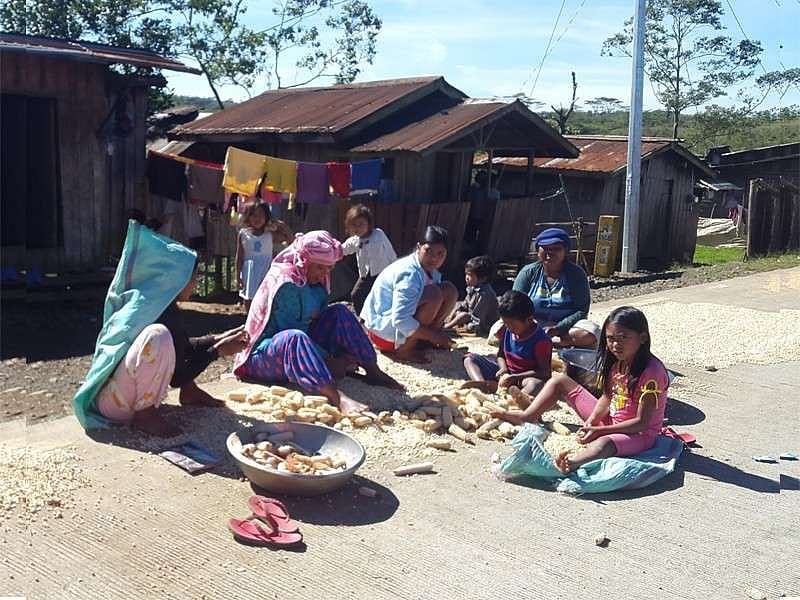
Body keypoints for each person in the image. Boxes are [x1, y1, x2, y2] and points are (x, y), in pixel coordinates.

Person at [73, 220, 248, 436]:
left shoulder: (162, 306)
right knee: (158, 336)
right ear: (175, 279)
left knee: (166, 339)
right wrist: (218, 352)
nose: (195, 282)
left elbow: (181, 347)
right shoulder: (150, 312)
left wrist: (215, 339)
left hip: (121, 395)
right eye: (193, 277)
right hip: (114, 404)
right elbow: (177, 376)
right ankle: (145, 416)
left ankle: (190, 393)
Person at [234, 231, 401, 414]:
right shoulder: (287, 283)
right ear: (305, 262)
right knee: (295, 338)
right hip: (266, 353)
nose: (325, 273)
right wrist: (329, 359)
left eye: (329, 268)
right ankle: (336, 396)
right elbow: (291, 332)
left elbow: (317, 320)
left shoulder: (318, 279)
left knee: (340, 312)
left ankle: (372, 370)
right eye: (320, 268)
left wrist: (334, 356)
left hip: (302, 342)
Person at [491, 306, 669, 475]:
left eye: (623, 337)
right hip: (611, 421)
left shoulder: (651, 373)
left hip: (638, 434)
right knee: (559, 380)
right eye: (610, 338)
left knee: (604, 444)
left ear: (643, 337)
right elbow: (607, 397)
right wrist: (591, 422)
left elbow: (642, 422)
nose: (615, 344)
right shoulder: (617, 362)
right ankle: (527, 416)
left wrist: (601, 431)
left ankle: (572, 462)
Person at [361, 226, 459, 363]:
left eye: (440, 254)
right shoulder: (409, 273)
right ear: (418, 247)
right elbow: (400, 319)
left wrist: (434, 333)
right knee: (434, 294)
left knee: (449, 290)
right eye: (428, 251)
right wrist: (433, 335)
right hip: (382, 333)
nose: (434, 258)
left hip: (396, 327)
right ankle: (405, 349)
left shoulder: (431, 271)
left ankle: (423, 340)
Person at [511, 227, 599, 348]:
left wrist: (558, 328)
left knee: (590, 333)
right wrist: (530, 323)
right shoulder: (528, 272)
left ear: (565, 251)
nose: (550, 253)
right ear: (538, 251)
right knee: (499, 328)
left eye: (556, 249)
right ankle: (545, 340)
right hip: (531, 324)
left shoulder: (576, 274)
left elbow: (581, 310)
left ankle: (544, 341)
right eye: (545, 248)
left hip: (565, 327)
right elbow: (514, 303)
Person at [463, 291, 552, 395]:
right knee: (469, 359)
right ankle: (483, 384)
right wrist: (503, 369)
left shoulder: (540, 340)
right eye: (505, 323)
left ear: (529, 320)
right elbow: (501, 354)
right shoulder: (507, 329)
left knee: (535, 385)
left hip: (524, 378)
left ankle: (516, 397)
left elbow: (545, 373)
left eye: (512, 324)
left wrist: (516, 377)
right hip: (507, 373)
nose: (508, 327)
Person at [236, 202, 292, 310]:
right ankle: (249, 321)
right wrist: (238, 276)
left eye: (261, 215)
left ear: (267, 218)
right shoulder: (243, 234)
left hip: (267, 271)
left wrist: (281, 224)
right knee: (249, 297)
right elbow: (239, 256)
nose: (257, 219)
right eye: (254, 215)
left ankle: (264, 322)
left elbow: (290, 239)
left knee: (267, 297)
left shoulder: (270, 235)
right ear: (248, 217)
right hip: (250, 272)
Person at [341, 204, 397, 314]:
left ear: (368, 224)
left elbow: (390, 251)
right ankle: (362, 318)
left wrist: (395, 268)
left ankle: (380, 318)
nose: (358, 228)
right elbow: (342, 249)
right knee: (356, 295)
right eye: (354, 225)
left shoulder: (378, 234)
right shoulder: (355, 240)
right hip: (365, 275)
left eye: (361, 224)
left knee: (382, 296)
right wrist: (329, 249)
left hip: (382, 273)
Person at [444, 255, 499, 336]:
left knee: (466, 320)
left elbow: (477, 317)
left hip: (483, 324)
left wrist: (464, 317)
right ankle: (448, 324)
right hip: (471, 317)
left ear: (483, 278)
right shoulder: (471, 288)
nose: (467, 277)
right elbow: (464, 305)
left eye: (470, 275)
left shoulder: (485, 294)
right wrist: (457, 312)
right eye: (466, 274)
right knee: (457, 310)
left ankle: (447, 327)